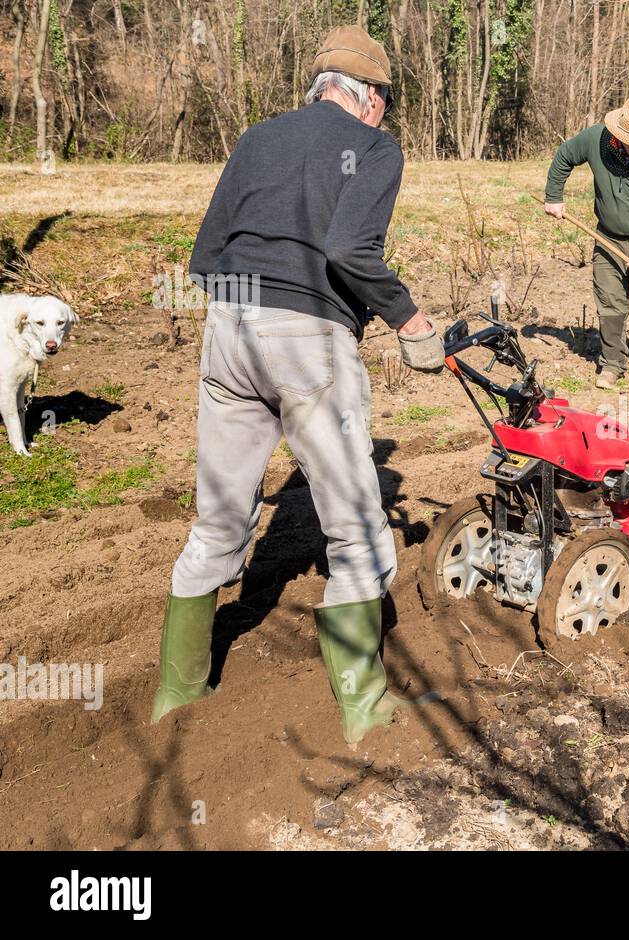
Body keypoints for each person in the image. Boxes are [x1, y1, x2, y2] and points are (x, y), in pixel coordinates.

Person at [151, 26, 444, 745]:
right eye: (386, 100)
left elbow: (204, 256)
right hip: (307, 343)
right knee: (356, 531)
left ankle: (176, 695)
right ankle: (364, 710)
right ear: (370, 97)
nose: (385, 113)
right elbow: (349, 250)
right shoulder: (376, 148)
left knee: (220, 522)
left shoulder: (258, 137)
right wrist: (407, 320)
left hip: (227, 334)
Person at [544, 96, 629, 390]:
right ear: (619, 137)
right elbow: (565, 155)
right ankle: (612, 364)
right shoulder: (597, 140)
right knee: (610, 303)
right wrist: (554, 195)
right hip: (607, 237)